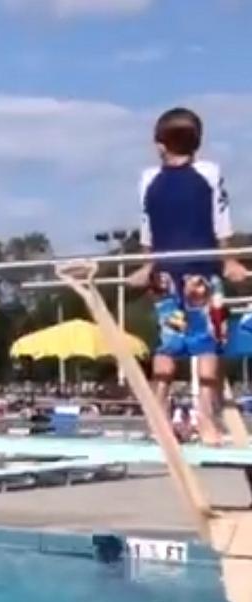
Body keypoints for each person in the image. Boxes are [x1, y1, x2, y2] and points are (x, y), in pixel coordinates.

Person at [127, 107, 248, 445]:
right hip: (167, 274)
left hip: (202, 272)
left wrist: (229, 261)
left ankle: (207, 421)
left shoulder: (208, 173)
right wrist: (148, 265)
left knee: (208, 351)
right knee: (168, 350)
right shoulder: (149, 179)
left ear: (160, 144)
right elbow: (147, 225)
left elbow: (219, 217)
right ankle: (159, 420)